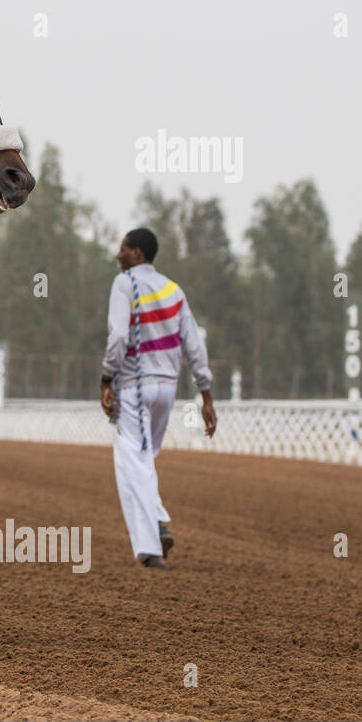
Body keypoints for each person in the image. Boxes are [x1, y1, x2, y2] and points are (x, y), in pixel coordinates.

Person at [100, 228, 217, 570]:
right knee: (144, 459)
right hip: (167, 389)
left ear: (137, 253)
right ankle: (158, 521)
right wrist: (206, 396)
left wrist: (107, 376)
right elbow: (194, 345)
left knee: (131, 463)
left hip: (135, 384)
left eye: (123, 247)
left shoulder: (124, 283)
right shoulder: (174, 290)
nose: (118, 254)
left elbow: (119, 335)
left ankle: (152, 543)